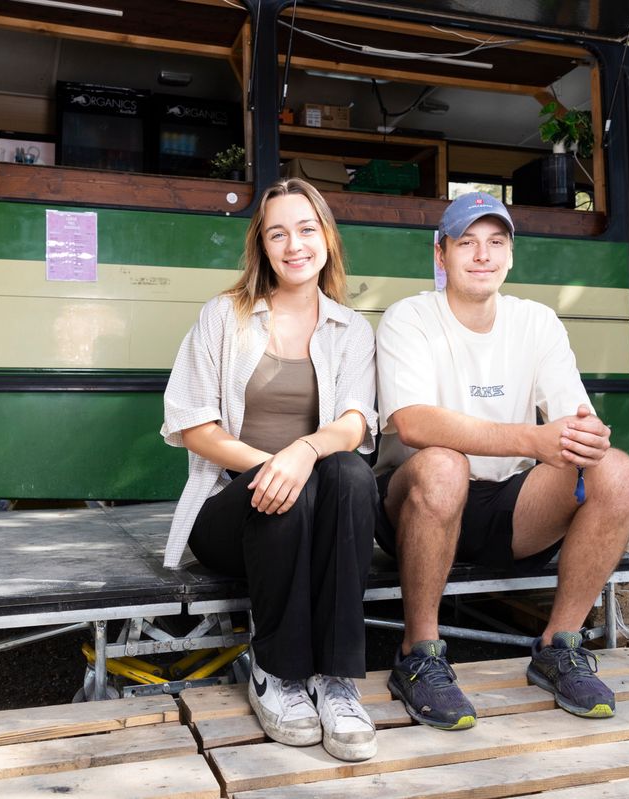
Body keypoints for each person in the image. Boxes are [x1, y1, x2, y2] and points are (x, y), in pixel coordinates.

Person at [374, 192, 629, 729]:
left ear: (510, 256)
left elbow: (572, 417)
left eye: (495, 243)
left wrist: (587, 435)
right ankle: (419, 654)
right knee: (444, 464)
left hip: (507, 506)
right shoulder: (409, 317)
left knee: (617, 469)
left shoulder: (536, 321)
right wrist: (532, 439)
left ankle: (559, 646)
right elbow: (413, 424)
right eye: (466, 243)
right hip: (416, 498)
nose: (481, 255)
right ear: (440, 253)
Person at [161, 178, 379, 761]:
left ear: (327, 239)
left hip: (313, 495)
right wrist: (275, 465)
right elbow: (194, 427)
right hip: (229, 510)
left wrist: (302, 452)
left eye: (306, 229)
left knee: (351, 473)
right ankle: (277, 673)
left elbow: (356, 424)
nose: (294, 244)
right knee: (287, 486)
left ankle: (335, 679)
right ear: (262, 244)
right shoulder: (224, 316)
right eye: (277, 232)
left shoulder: (351, 329)